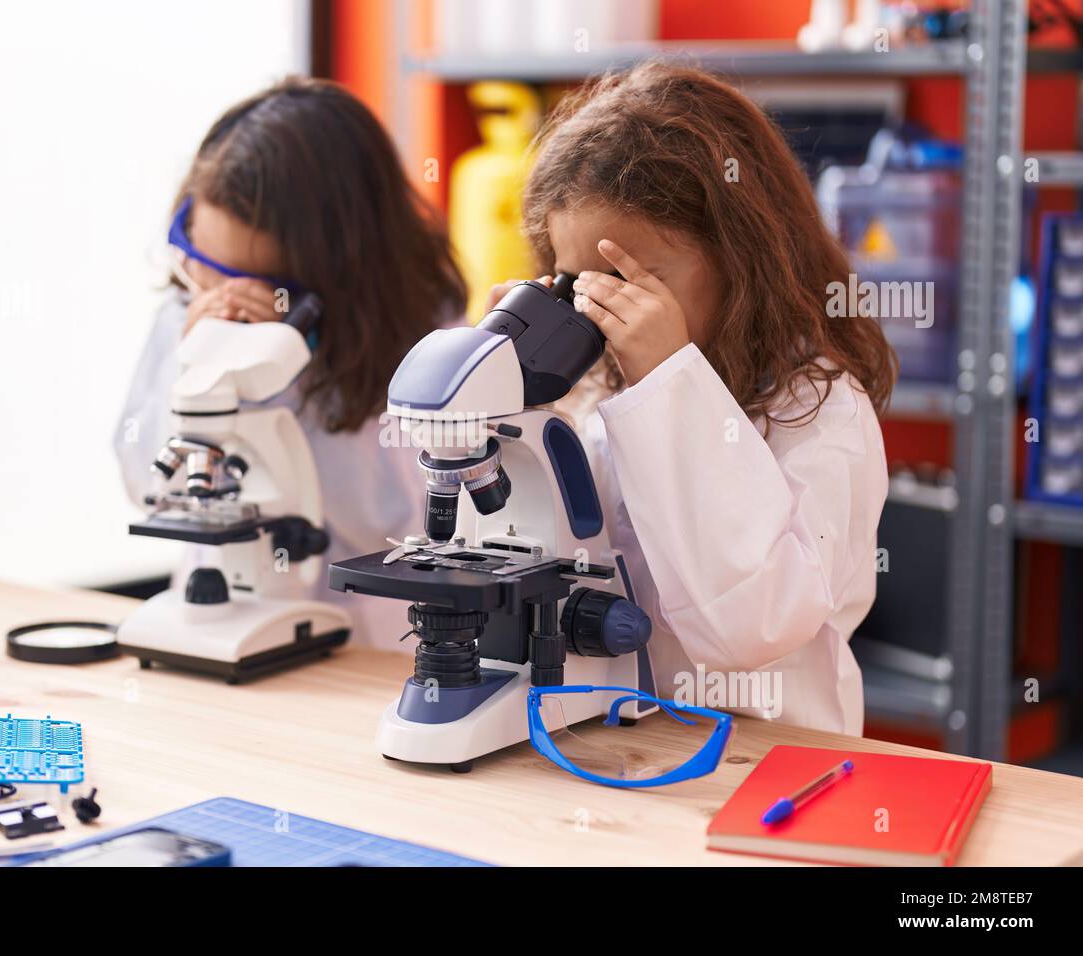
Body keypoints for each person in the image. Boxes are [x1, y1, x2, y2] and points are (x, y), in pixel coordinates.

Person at [496, 63, 895, 734]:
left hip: (767, 754)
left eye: (625, 278)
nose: (598, 308)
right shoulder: (596, 388)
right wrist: (511, 403)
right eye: (572, 283)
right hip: (616, 742)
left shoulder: (821, 410)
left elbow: (751, 626)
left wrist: (669, 385)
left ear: (743, 257)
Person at [115, 76, 466, 647]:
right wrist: (197, 373)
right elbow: (143, 478)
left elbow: (401, 524)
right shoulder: (189, 312)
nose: (214, 290)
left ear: (328, 279)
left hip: (361, 640)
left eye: (247, 282)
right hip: (217, 615)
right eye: (200, 256)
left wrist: (279, 375)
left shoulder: (426, 342)